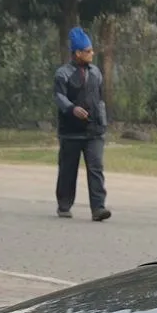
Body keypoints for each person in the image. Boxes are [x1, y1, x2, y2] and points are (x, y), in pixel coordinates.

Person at [53, 26, 109, 221]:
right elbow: (59, 97)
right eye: (88, 51)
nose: (92, 54)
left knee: (96, 167)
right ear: (77, 53)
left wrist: (102, 121)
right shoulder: (63, 74)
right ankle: (64, 204)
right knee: (68, 169)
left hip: (94, 131)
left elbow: (100, 99)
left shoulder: (96, 73)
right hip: (71, 132)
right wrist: (72, 109)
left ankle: (98, 207)